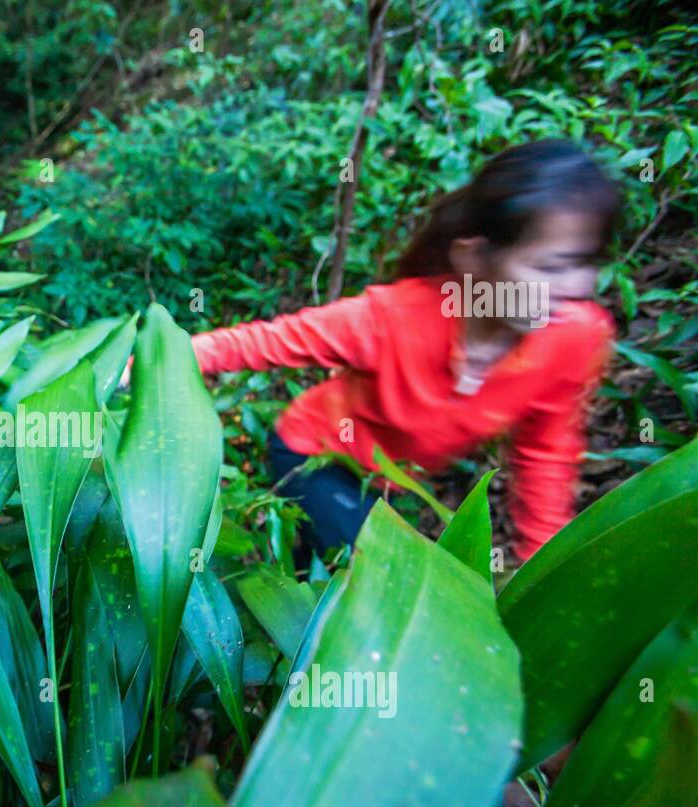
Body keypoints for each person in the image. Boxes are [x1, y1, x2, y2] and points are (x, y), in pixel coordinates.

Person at [184, 139, 622, 566]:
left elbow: (545, 455)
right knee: (371, 570)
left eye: (585, 263)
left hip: (391, 481)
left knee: (326, 556)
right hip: (311, 453)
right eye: (549, 267)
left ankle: (298, 575)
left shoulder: (572, 338)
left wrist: (542, 572)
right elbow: (268, 342)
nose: (575, 287)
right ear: (474, 257)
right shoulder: (393, 317)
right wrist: (148, 359)